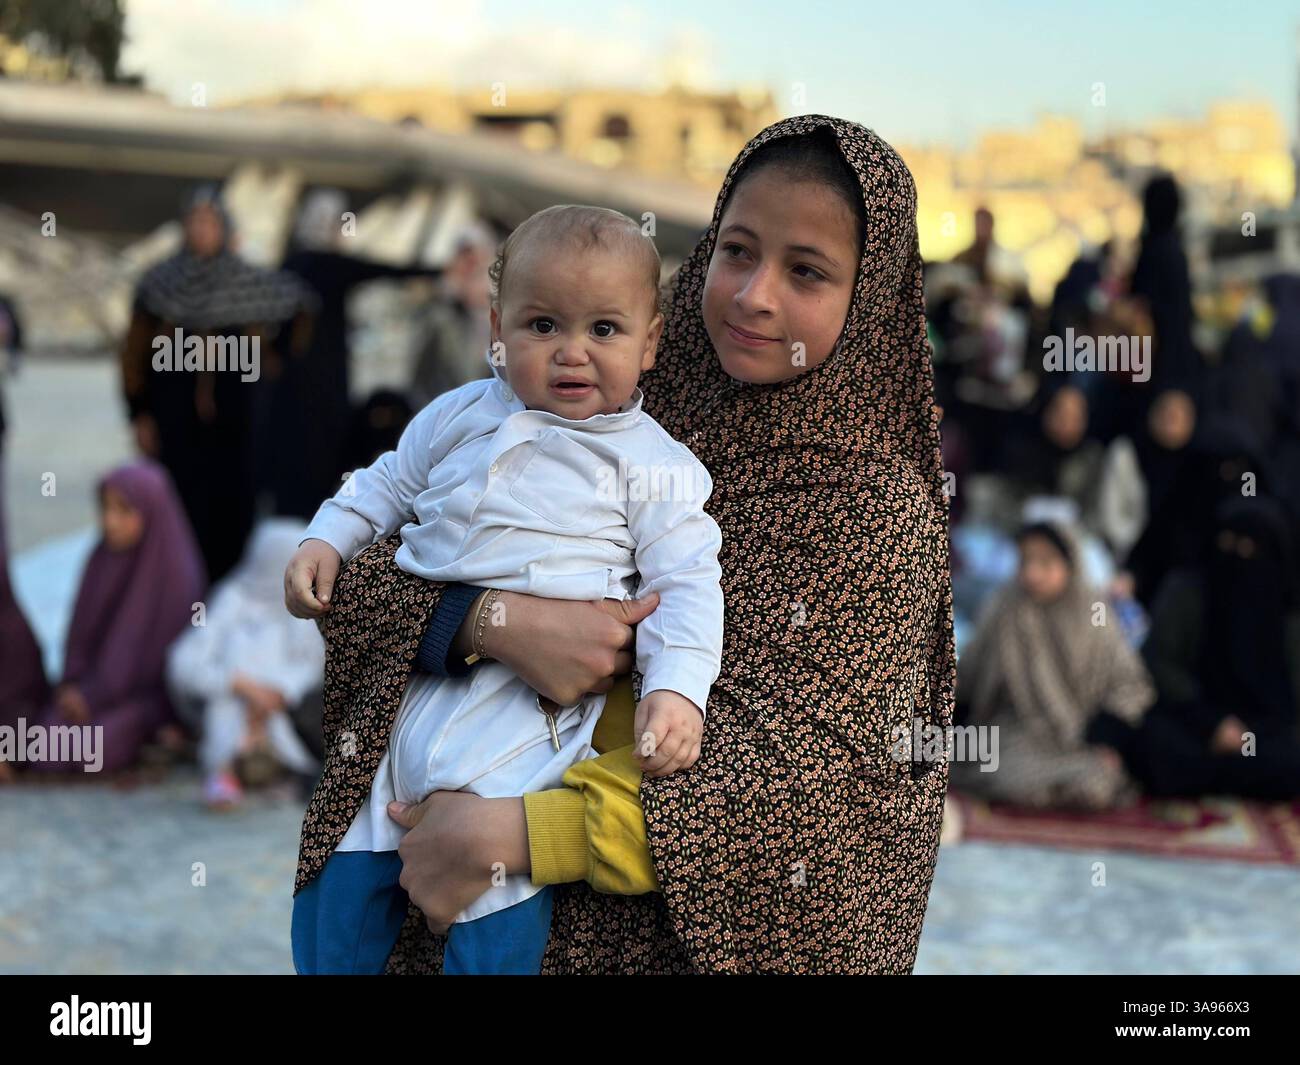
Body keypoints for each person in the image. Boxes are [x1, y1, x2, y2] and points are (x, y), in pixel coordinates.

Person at [292, 116, 955, 974]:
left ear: (869, 297)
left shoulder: (874, 514)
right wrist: (490, 622)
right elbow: (377, 564)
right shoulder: (612, 387)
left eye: (808, 272)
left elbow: (812, 791)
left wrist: (520, 833)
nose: (755, 294)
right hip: (448, 887)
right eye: (738, 251)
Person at [286, 204, 724, 975]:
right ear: (497, 326)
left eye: (605, 330)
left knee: (495, 915)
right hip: (415, 697)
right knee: (342, 878)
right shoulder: (459, 412)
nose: (572, 354)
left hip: (529, 722)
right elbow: (386, 481)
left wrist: (679, 688)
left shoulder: (652, 463)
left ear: (651, 341)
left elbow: (686, 580)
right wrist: (329, 536)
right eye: (543, 325)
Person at [119, 186, 312, 582]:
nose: (202, 230)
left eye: (209, 222)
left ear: (224, 228)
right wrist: (139, 413)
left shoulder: (249, 282)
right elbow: (134, 352)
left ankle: (223, 593)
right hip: (173, 417)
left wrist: (275, 358)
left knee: (233, 505)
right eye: (194, 222)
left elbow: (303, 306)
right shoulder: (160, 284)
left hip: (237, 418)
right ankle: (174, 588)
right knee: (176, 502)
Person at [1100, 496, 1300, 800]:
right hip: (1193, 721)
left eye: (1250, 548)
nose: (1236, 555)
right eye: (1229, 542)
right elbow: (1159, 663)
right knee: (1153, 744)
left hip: (1264, 730)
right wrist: (1211, 723)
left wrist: (1250, 733)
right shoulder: (1186, 591)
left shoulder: (1287, 610)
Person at [952, 520, 1154, 810]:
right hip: (1015, 733)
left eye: (1045, 563)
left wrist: (1106, 735)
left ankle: (1054, 790)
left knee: (1099, 777)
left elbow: (1131, 684)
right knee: (1006, 774)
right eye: (1025, 561)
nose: (1032, 573)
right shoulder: (1004, 607)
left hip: (1079, 738)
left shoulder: (1095, 613)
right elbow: (969, 676)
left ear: (1070, 564)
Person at [269, 189, 444, 519]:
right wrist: (435, 271)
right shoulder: (328, 265)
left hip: (289, 391)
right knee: (320, 457)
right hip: (323, 386)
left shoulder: (290, 265)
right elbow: (379, 269)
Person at [27, 460, 205, 776]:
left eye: (124, 511)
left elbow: (143, 657)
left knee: (89, 751)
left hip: (145, 698)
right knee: (43, 745)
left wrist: (93, 695)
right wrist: (73, 683)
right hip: (90, 688)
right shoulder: (102, 558)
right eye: (105, 509)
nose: (110, 522)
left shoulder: (175, 571)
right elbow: (79, 633)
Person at [166, 518, 324, 809]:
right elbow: (184, 663)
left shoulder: (300, 608)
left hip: (277, 709)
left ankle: (261, 761)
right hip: (232, 698)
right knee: (232, 684)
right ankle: (227, 767)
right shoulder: (232, 599)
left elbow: (312, 666)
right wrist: (238, 683)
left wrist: (277, 691)